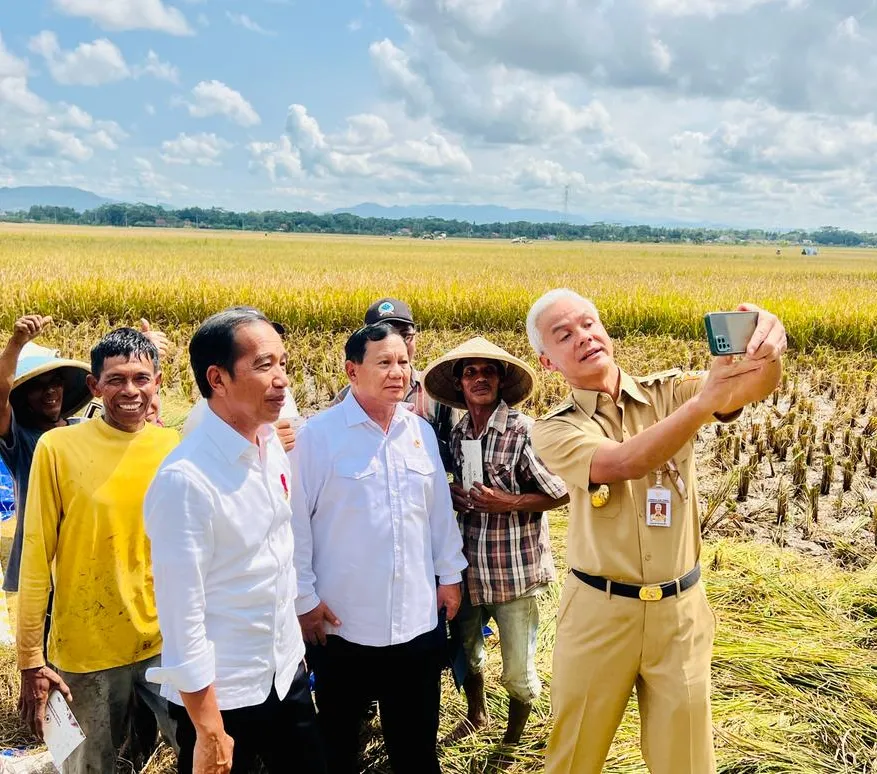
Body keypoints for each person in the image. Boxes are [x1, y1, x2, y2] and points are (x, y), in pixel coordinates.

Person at [525, 289, 786, 774]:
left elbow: (749, 388)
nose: (583, 337)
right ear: (547, 361)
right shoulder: (552, 430)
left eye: (589, 324)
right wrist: (703, 404)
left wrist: (766, 350)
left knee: (686, 760)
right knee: (573, 757)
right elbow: (622, 462)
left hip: (680, 615)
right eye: (564, 335)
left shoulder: (670, 391)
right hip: (598, 614)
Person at [145, 307, 325, 774]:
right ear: (217, 379)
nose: (282, 379)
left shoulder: (271, 452)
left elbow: (278, 562)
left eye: (283, 363)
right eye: (265, 366)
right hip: (224, 697)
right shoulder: (186, 480)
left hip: (286, 676)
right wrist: (209, 729)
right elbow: (182, 617)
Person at [291, 322, 467, 774]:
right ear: (352, 371)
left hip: (416, 622)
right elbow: (295, 526)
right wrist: (305, 601)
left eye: (403, 362)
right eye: (384, 363)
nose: (398, 372)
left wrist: (450, 576)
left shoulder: (420, 432)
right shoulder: (318, 436)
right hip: (343, 625)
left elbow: (438, 515)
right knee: (340, 743)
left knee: (415, 746)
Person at [17, 328, 179, 773]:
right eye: (116, 380)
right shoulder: (58, 448)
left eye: (142, 379)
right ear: (94, 386)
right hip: (87, 649)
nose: (130, 391)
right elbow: (34, 558)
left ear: (158, 383)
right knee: (89, 765)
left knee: (200, 748)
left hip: (166, 640)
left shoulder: (174, 447)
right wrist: (30, 660)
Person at [422, 337, 568, 746]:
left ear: (501, 381)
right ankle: (477, 714)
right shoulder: (459, 432)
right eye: (471, 372)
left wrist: (510, 502)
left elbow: (563, 491)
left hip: (513, 574)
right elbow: (464, 487)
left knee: (518, 671)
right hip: (467, 569)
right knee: (467, 654)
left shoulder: (523, 431)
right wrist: (453, 492)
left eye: (489, 371)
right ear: (460, 384)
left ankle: (512, 741)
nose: (480, 378)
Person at [0, 315, 168, 596]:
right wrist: (15, 345)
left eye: (56, 382)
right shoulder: (22, 441)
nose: (50, 392)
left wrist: (144, 356)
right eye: (38, 386)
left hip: (91, 562)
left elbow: (129, 411)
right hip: (44, 566)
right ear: (23, 397)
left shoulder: (84, 430)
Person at [332, 298, 456, 467]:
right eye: (385, 335)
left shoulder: (436, 391)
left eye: (405, 335)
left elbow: (456, 452)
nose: (396, 343)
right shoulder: (347, 398)